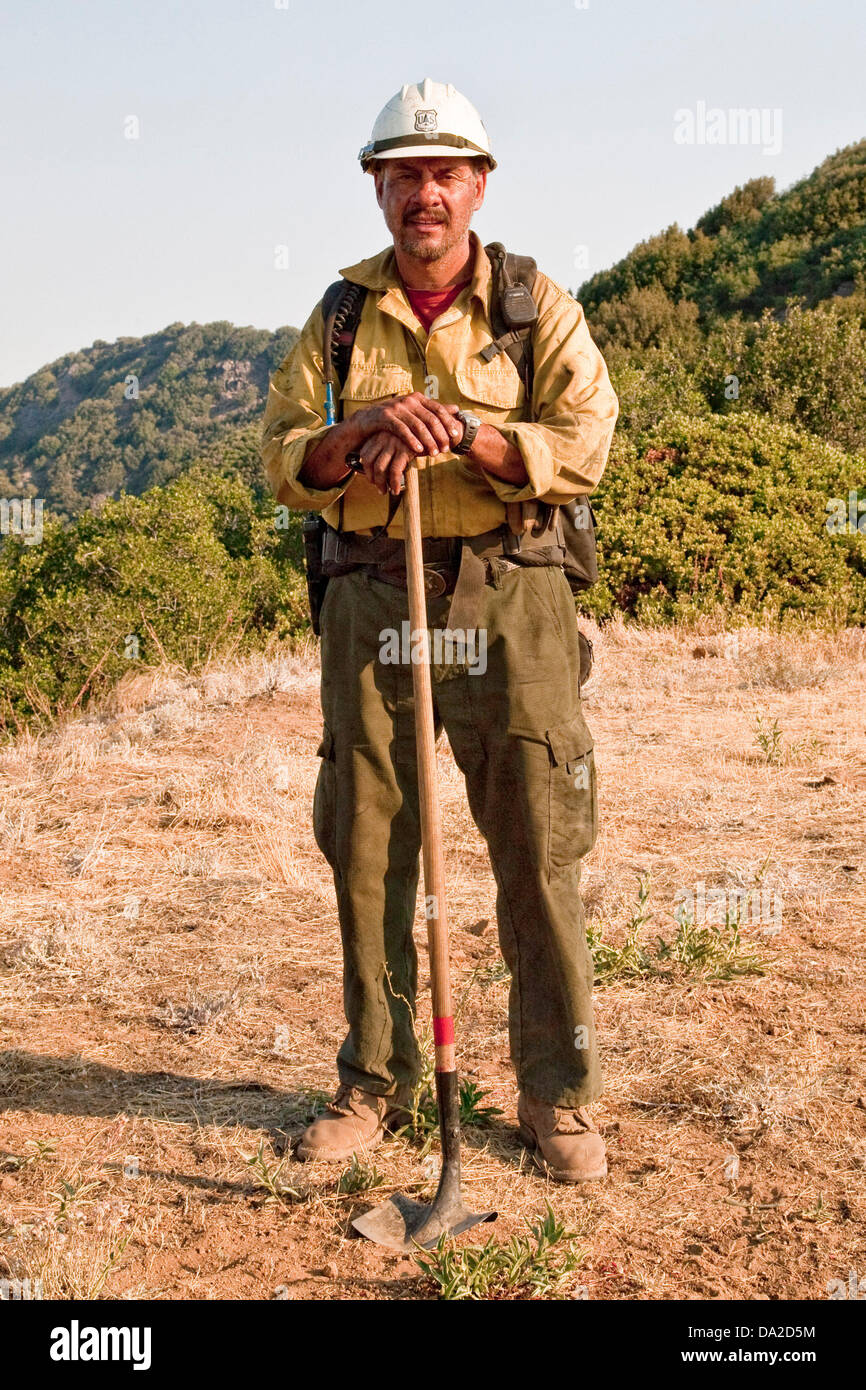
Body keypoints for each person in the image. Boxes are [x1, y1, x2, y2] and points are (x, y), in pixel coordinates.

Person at [262, 78, 618, 1182]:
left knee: (538, 848)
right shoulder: (333, 320)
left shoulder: (535, 306)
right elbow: (285, 462)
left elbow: (584, 441)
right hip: (374, 592)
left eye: (443, 171)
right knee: (367, 847)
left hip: (513, 595)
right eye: (403, 172)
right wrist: (361, 427)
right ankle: (373, 1084)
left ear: (477, 184)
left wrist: (464, 432)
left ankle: (555, 1099)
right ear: (376, 187)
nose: (424, 192)